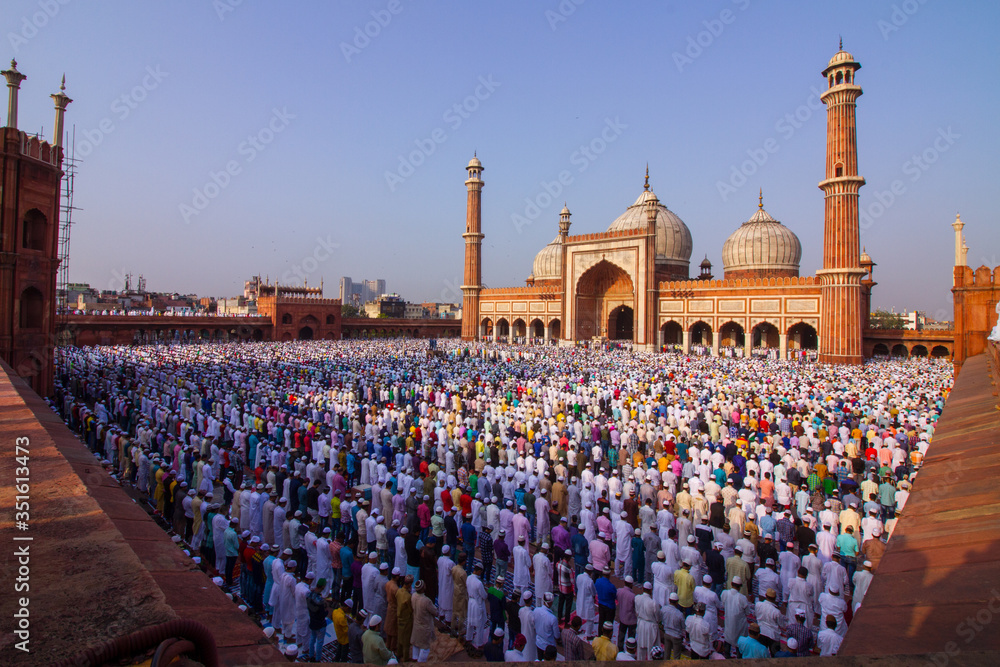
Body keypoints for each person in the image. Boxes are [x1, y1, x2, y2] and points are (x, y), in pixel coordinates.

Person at [411, 579, 437, 663]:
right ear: (422, 589)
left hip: (416, 625)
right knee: (424, 648)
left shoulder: (413, 596)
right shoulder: (426, 601)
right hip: (424, 627)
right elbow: (435, 612)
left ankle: (414, 660)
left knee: (416, 645)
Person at [661, 592, 685, 660]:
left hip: (667, 634)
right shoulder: (679, 614)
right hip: (676, 636)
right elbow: (683, 627)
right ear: (677, 602)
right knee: (676, 657)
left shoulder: (663, 609)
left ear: (669, 600)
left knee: (666, 654)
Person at [396, 575, 414, 662]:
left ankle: (399, 654)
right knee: (406, 641)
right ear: (410, 584)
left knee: (400, 638)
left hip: (399, 617)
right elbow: (411, 609)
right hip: (407, 619)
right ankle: (406, 658)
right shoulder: (408, 596)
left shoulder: (399, 591)